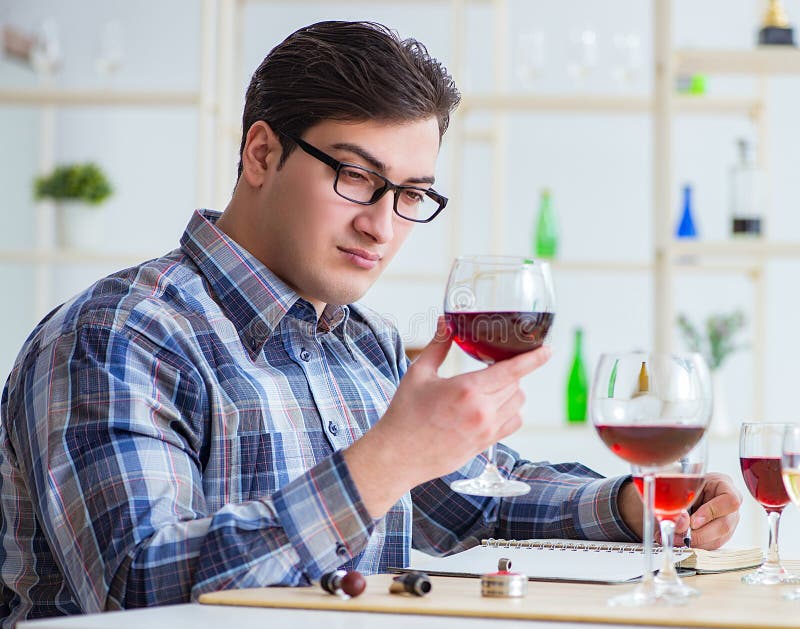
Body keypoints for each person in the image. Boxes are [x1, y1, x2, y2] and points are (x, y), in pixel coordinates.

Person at [0, 20, 741, 625]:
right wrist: (383, 460)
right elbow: (139, 589)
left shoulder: (365, 339)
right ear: (262, 153)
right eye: (355, 176)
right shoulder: (119, 334)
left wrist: (626, 501)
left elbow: (464, 494)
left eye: (412, 193)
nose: (382, 224)